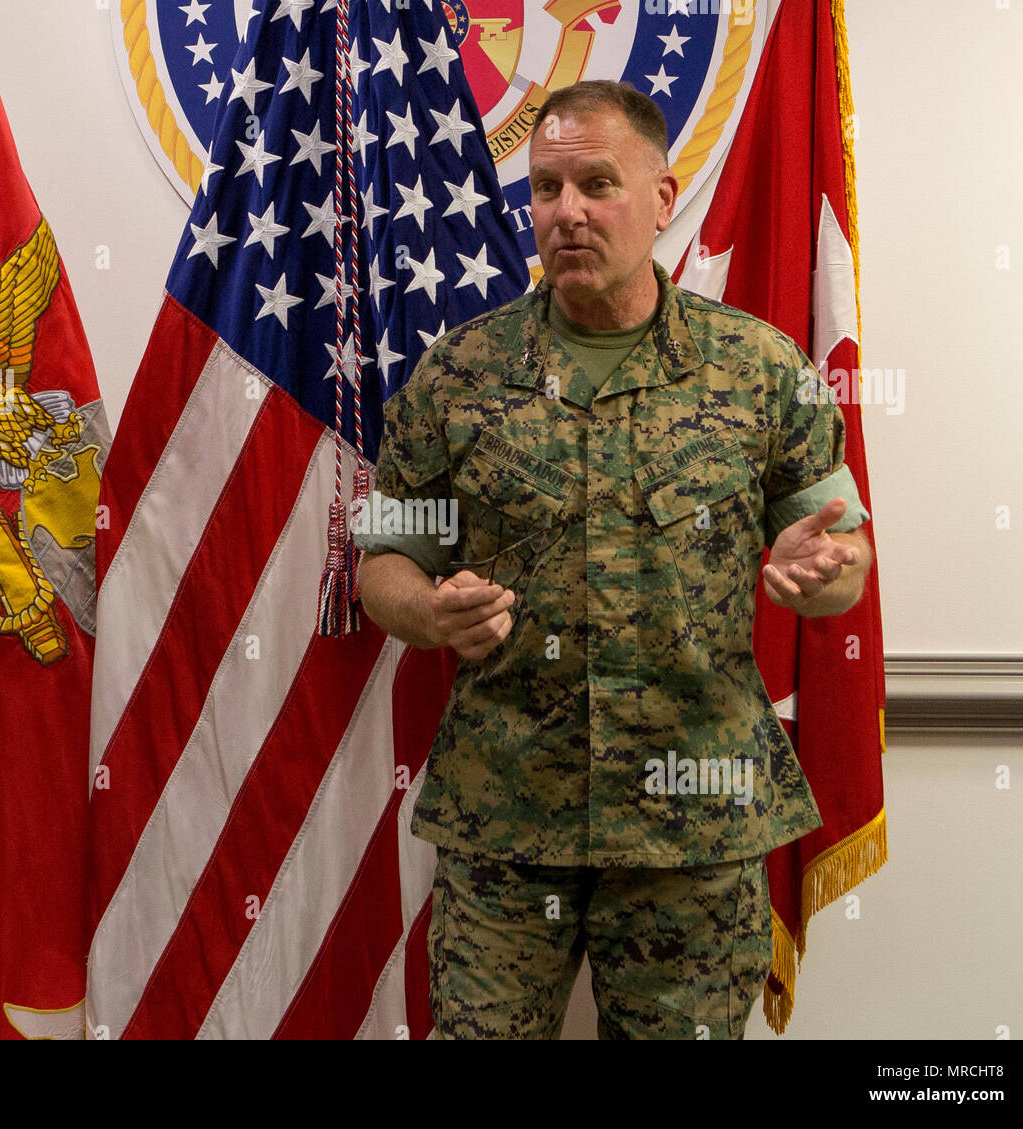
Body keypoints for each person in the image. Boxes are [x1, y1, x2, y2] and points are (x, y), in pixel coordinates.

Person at [353, 79, 873, 1040]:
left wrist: (823, 571)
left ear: (663, 198)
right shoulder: (459, 375)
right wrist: (428, 612)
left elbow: (843, 551)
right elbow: (382, 558)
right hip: (504, 822)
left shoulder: (759, 371)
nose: (568, 212)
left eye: (598, 183)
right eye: (547, 189)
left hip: (694, 822)